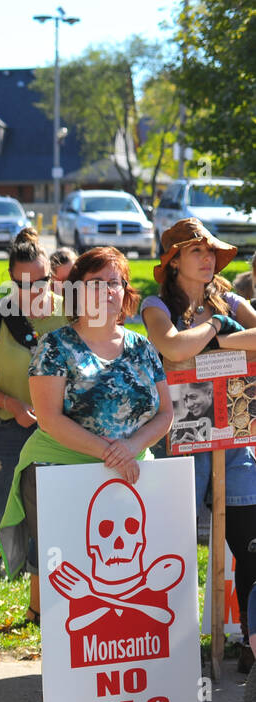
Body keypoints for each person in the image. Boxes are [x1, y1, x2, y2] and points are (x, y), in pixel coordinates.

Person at [1, 247, 173, 623]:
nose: (108, 290)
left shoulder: (142, 346)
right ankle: (72, 673)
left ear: (125, 292)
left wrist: (129, 449)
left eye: (115, 283)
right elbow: (48, 418)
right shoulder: (55, 345)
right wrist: (112, 453)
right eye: (97, 283)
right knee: (71, 575)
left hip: (130, 473)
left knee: (129, 571)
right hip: (59, 469)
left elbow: (166, 414)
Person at [141, 218, 256, 668]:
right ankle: (173, 652)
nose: (209, 259)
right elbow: (171, 347)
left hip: (237, 430)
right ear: (173, 263)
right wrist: (217, 333)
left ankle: (249, 646)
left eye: (212, 252)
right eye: (197, 252)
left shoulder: (228, 299)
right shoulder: (155, 304)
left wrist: (217, 330)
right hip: (181, 436)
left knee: (251, 543)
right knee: (174, 547)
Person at [0, 235, 66, 618]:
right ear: (10, 280)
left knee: (47, 520)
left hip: (56, 435)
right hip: (7, 428)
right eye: (22, 284)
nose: (31, 291)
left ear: (51, 278)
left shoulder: (68, 313)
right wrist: (12, 404)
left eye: (39, 282)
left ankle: (39, 611)